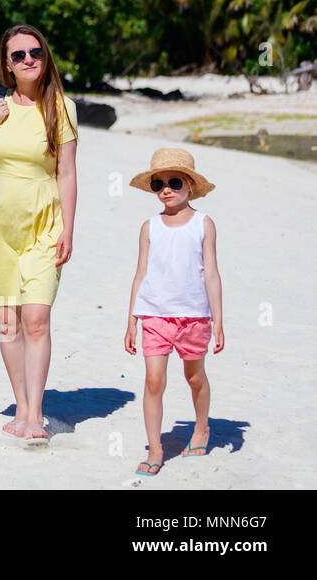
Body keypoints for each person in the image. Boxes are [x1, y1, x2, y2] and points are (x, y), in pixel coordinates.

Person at [0, 23, 77, 444]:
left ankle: (37, 412)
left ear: (44, 56)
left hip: (45, 221)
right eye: (19, 55)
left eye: (35, 51)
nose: (29, 59)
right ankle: (23, 406)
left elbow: (67, 173)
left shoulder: (61, 108)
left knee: (36, 318)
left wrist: (68, 227)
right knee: (9, 325)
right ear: (7, 66)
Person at [123, 148, 223, 476]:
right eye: (158, 184)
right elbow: (140, 273)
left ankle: (202, 428)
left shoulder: (204, 224)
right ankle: (155, 447)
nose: (166, 189)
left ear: (190, 186)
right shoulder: (149, 227)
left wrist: (219, 321)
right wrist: (131, 320)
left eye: (174, 182)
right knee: (154, 380)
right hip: (154, 314)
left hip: (194, 315)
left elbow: (211, 273)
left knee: (194, 377)